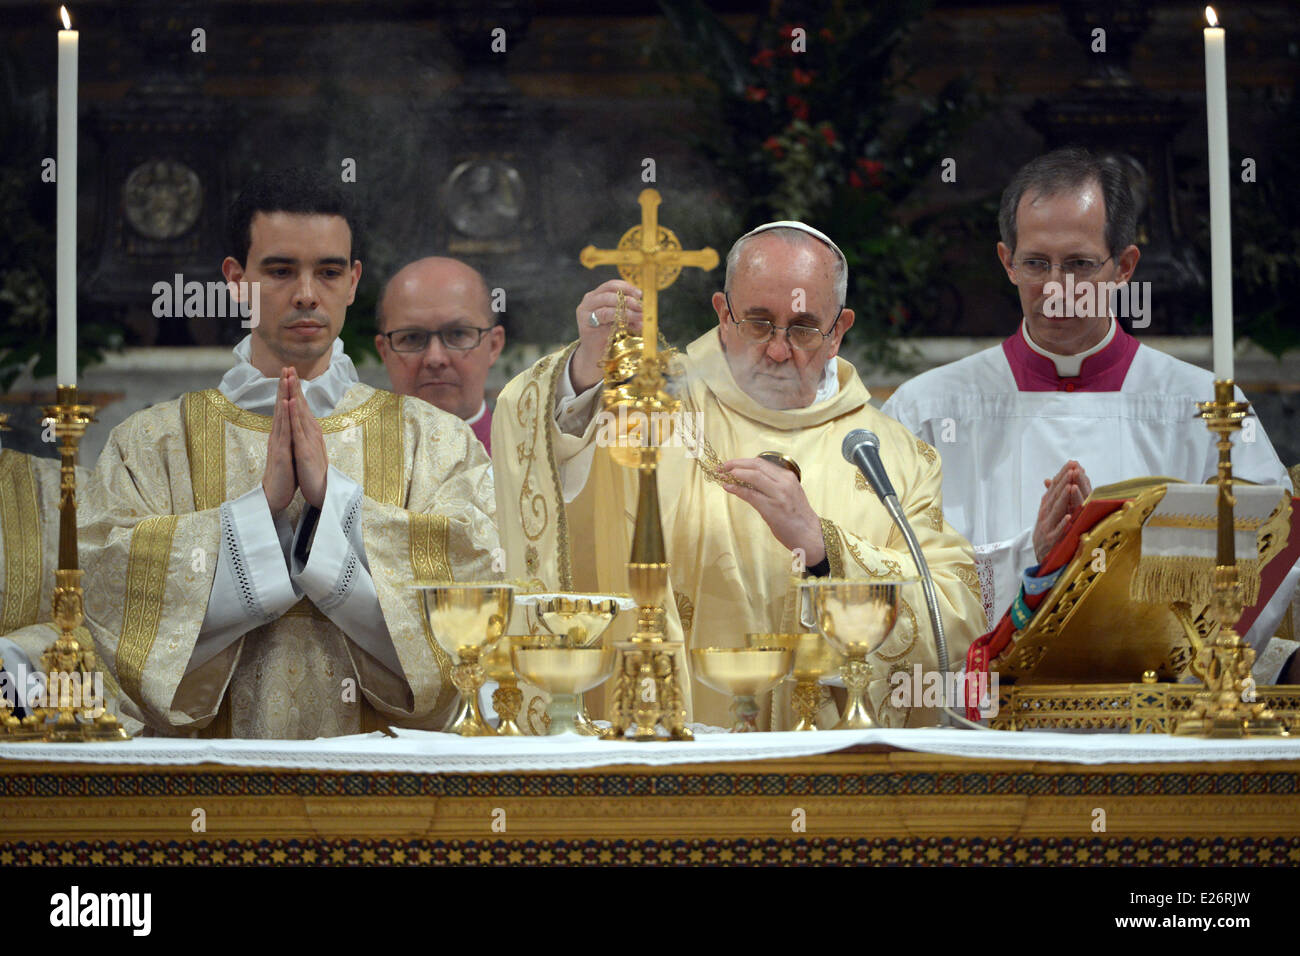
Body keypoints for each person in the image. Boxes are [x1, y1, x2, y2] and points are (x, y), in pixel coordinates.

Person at [492, 222, 985, 730]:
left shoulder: (893, 456)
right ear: (723, 314)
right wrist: (586, 367)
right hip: (662, 756)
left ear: (838, 331)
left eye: (803, 327)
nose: (777, 349)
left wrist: (823, 550)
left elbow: (956, 619)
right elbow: (541, 435)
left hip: (824, 773)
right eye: (758, 322)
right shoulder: (651, 401)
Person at [80, 168, 499, 738]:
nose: (306, 293)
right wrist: (258, 512)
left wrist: (336, 504)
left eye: (328, 272)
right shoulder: (151, 444)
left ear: (353, 282)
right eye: (280, 270)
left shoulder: (437, 442)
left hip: (386, 794)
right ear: (236, 279)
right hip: (204, 792)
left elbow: (478, 597)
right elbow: (105, 599)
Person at [881, 147, 1297, 678]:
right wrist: (1035, 563)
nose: (1056, 289)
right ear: (1007, 262)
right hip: (986, 715)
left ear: (1123, 266)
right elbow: (893, 571)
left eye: (1078, 264)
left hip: (1158, 712)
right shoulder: (926, 410)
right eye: (1036, 264)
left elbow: (1272, 552)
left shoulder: (1204, 409)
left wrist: (1184, 672)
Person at [375, 257, 504, 453]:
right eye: (411, 338)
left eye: (458, 334)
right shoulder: (341, 472)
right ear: (384, 352)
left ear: (493, 346)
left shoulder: (537, 468)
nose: (435, 358)